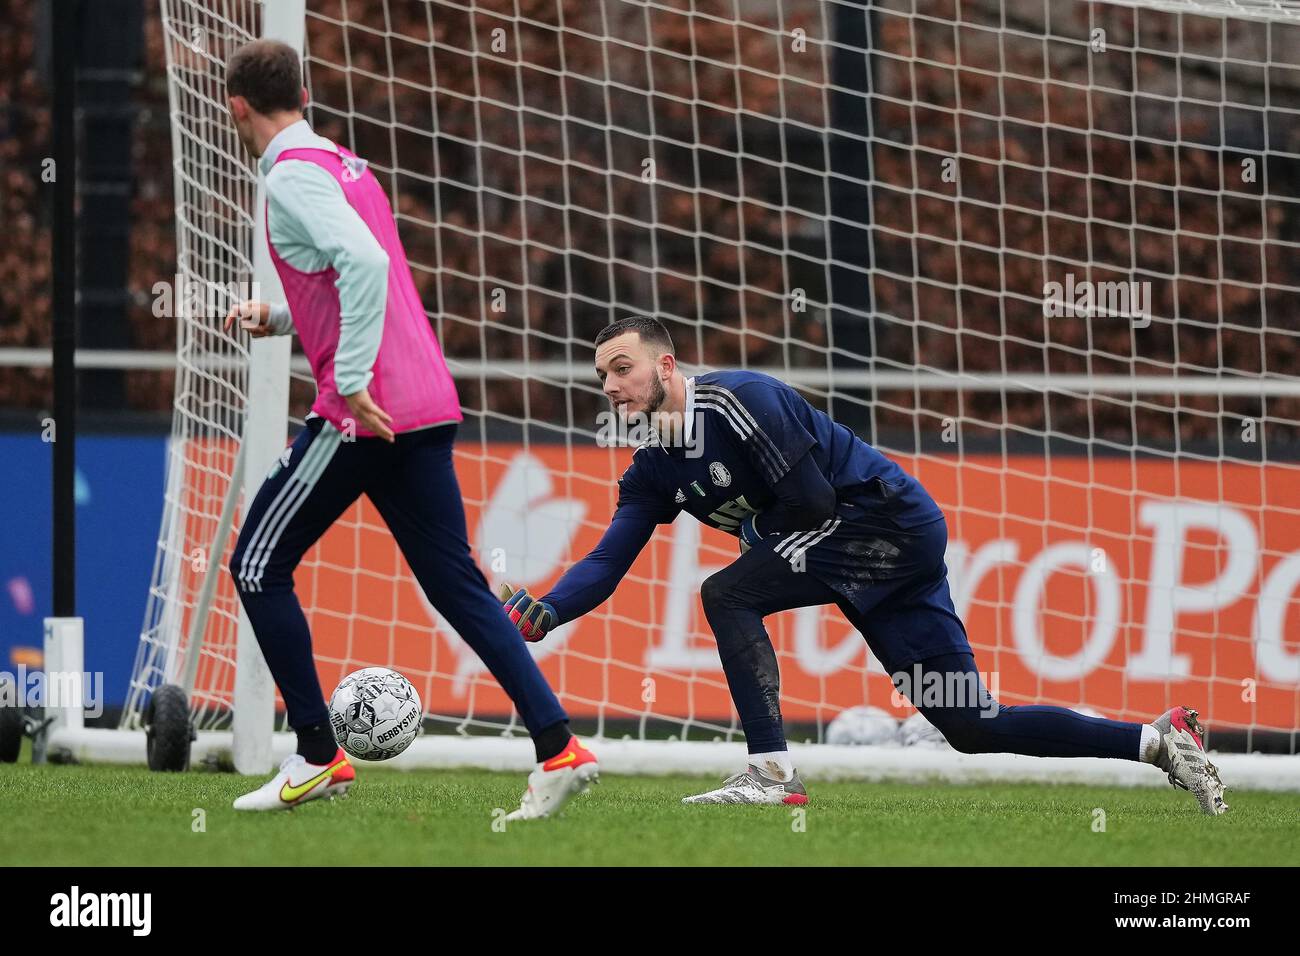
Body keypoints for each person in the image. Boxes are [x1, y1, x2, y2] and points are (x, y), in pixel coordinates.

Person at [501, 316, 1227, 815]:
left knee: (725, 594)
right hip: (860, 557)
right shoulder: (653, 469)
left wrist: (755, 530)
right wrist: (546, 613)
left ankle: (771, 774)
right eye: (601, 375)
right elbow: (608, 558)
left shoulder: (739, 399)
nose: (610, 385)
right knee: (970, 722)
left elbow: (813, 501)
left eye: (622, 367)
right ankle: (1161, 742)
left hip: (885, 526)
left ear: (665, 364)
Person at [220, 39, 595, 819]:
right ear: (307, 91)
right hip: (426, 402)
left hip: (364, 414)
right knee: (457, 585)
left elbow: (361, 265)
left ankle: (318, 755)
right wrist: (281, 316)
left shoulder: (289, 175)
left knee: (257, 565)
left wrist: (350, 380)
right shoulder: (347, 165)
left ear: (237, 107)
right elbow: (356, 278)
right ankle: (559, 745)